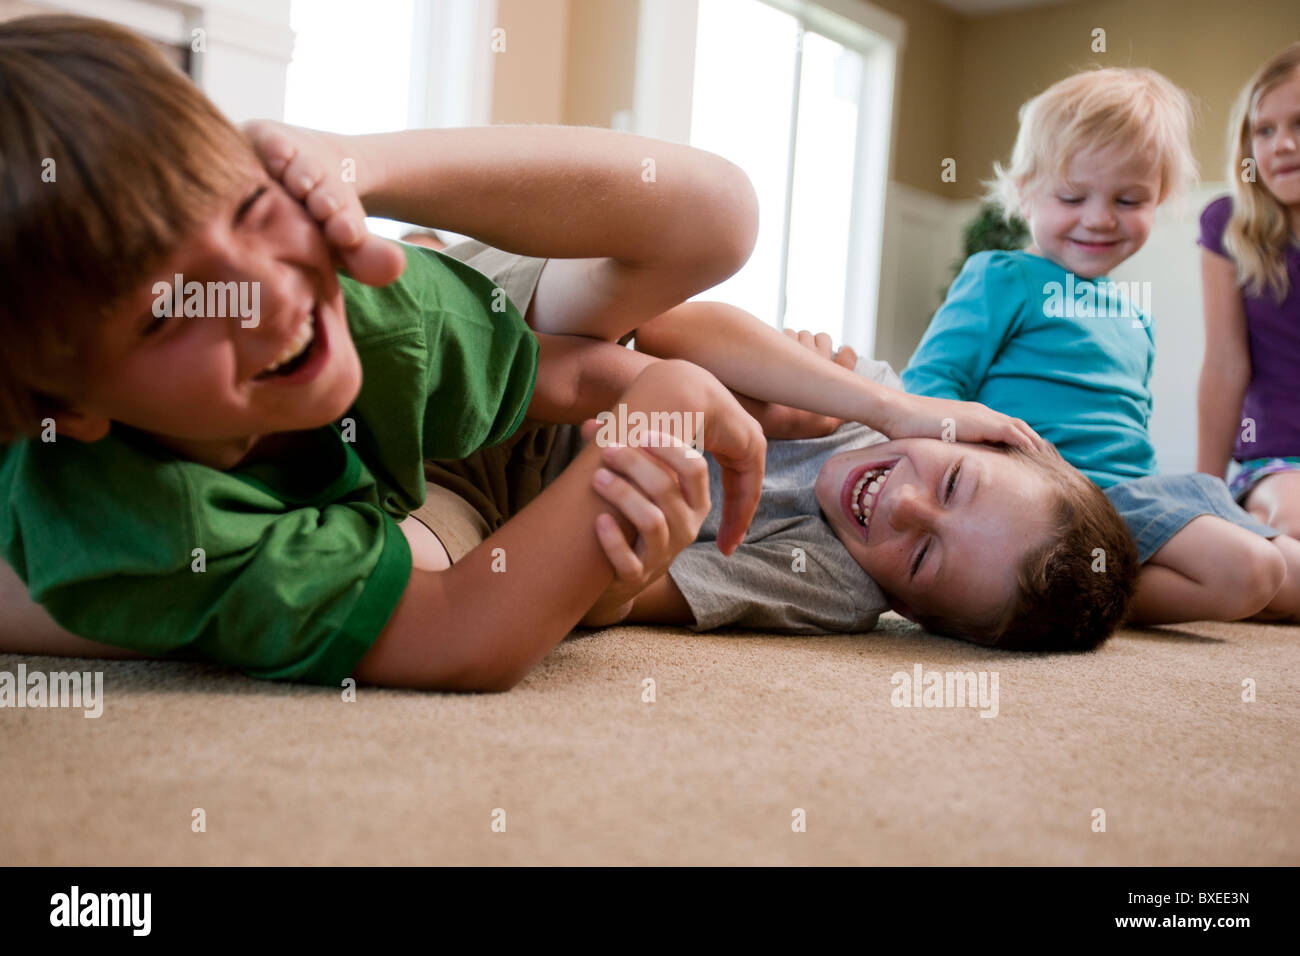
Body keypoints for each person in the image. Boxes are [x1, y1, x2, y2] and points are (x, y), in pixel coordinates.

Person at [0, 15, 1035, 688]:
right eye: (172, 312)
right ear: (76, 405)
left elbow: (552, 373)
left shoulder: (372, 307)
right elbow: (462, 632)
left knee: (714, 208)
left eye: (252, 203)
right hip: (105, 518)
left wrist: (656, 395)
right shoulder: (139, 514)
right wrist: (635, 454)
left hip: (426, 460)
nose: (269, 296)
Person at [902, 66, 1300, 625]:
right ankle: (1067, 593)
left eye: (1129, 200)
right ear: (1024, 192)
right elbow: (927, 387)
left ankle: (1086, 580)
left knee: (1291, 574)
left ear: (1160, 199)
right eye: (1071, 196)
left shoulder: (1134, 311)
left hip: (1136, 492)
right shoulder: (1002, 277)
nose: (1098, 219)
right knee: (1250, 572)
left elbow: (1128, 432)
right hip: (1061, 499)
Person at [1197, 43, 1300, 543]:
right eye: (1265, 130)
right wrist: (1205, 496)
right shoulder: (1226, 227)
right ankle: (1251, 533)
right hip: (1278, 459)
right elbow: (1224, 363)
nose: (1282, 144)